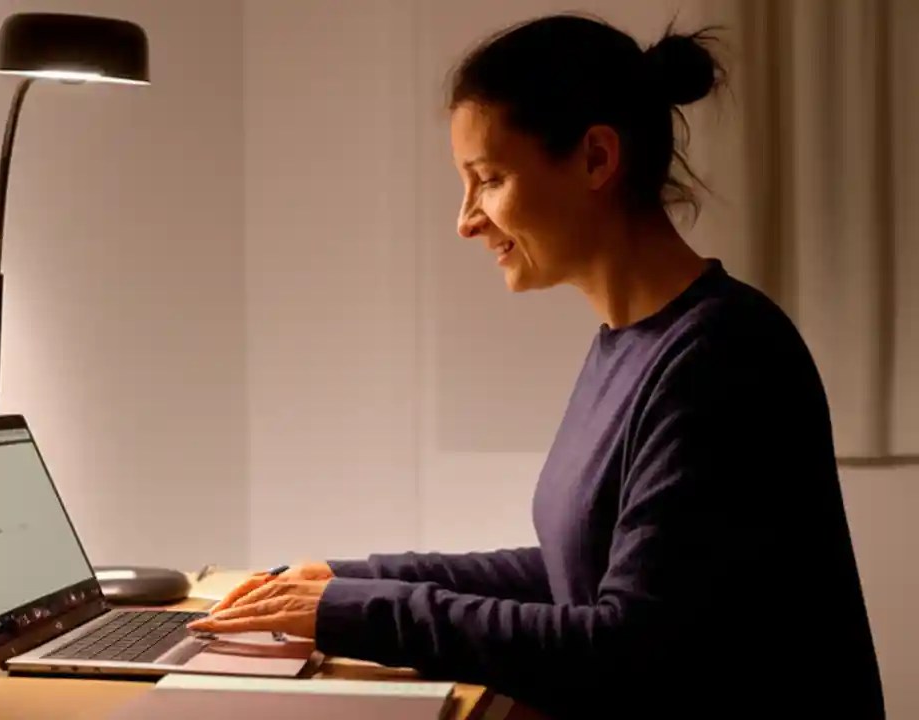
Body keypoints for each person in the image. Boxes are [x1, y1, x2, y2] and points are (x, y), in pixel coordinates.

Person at [187, 12, 886, 719]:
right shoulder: (636, 343)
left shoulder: (723, 359)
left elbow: (623, 648)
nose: (466, 219)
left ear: (596, 160)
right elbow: (570, 570)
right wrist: (345, 579)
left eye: (487, 179)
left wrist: (351, 610)